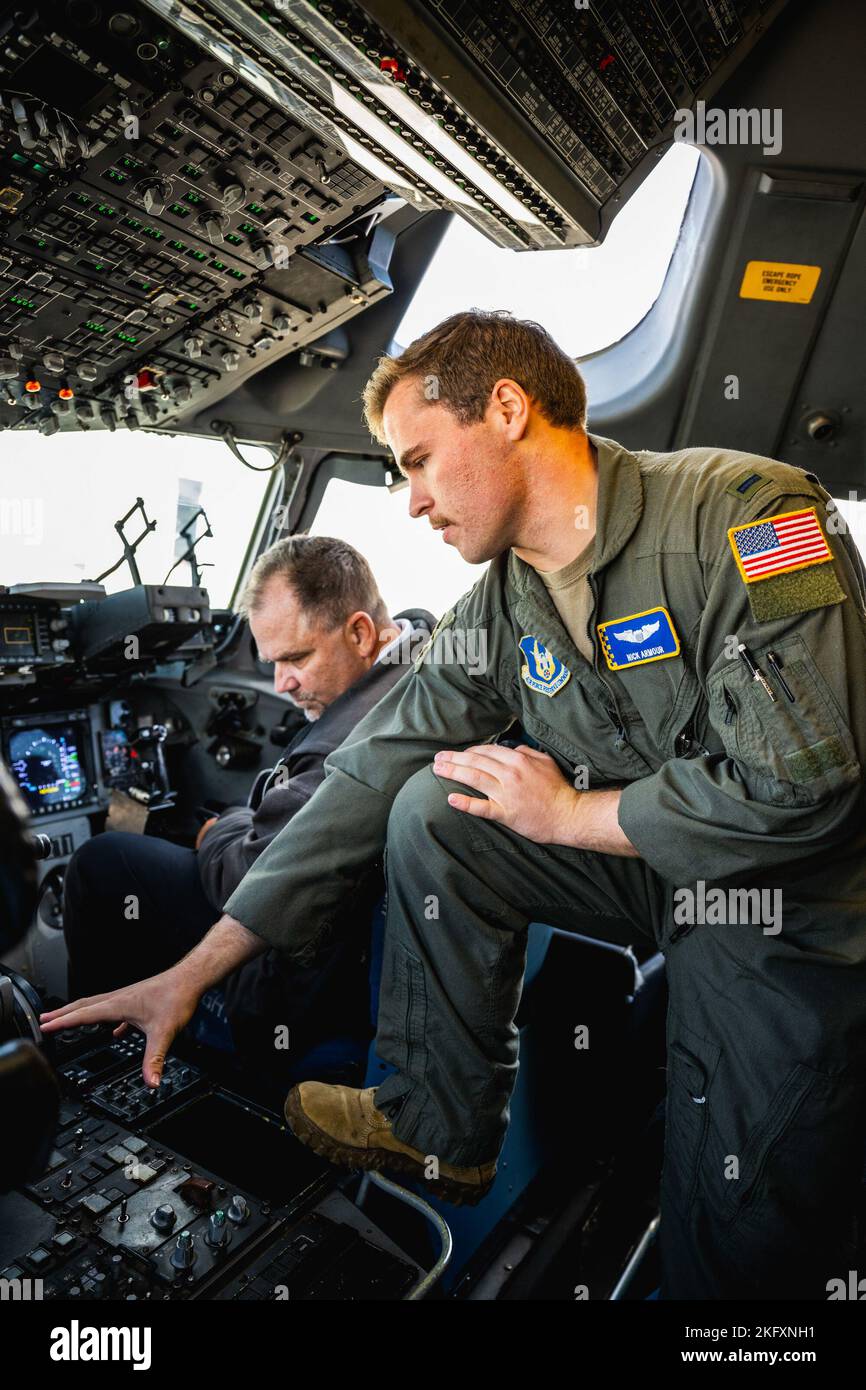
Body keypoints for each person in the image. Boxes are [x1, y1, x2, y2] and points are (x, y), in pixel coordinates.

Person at [43, 311, 866, 1300]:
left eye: (420, 459)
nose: (410, 500)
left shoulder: (757, 514)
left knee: (733, 1229)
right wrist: (198, 966)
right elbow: (369, 767)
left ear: (508, 411)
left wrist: (570, 816)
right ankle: (438, 1128)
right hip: (657, 878)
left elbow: (808, 786)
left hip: (789, 908)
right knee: (432, 803)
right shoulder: (509, 599)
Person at [61, 534, 433, 1090]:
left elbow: (252, 877)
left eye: (296, 658)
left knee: (104, 862)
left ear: (360, 632)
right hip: (354, 937)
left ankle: (92, 1061)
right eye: (273, 660)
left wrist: (219, 829)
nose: (282, 683)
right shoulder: (420, 655)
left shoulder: (354, 747)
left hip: (303, 964)